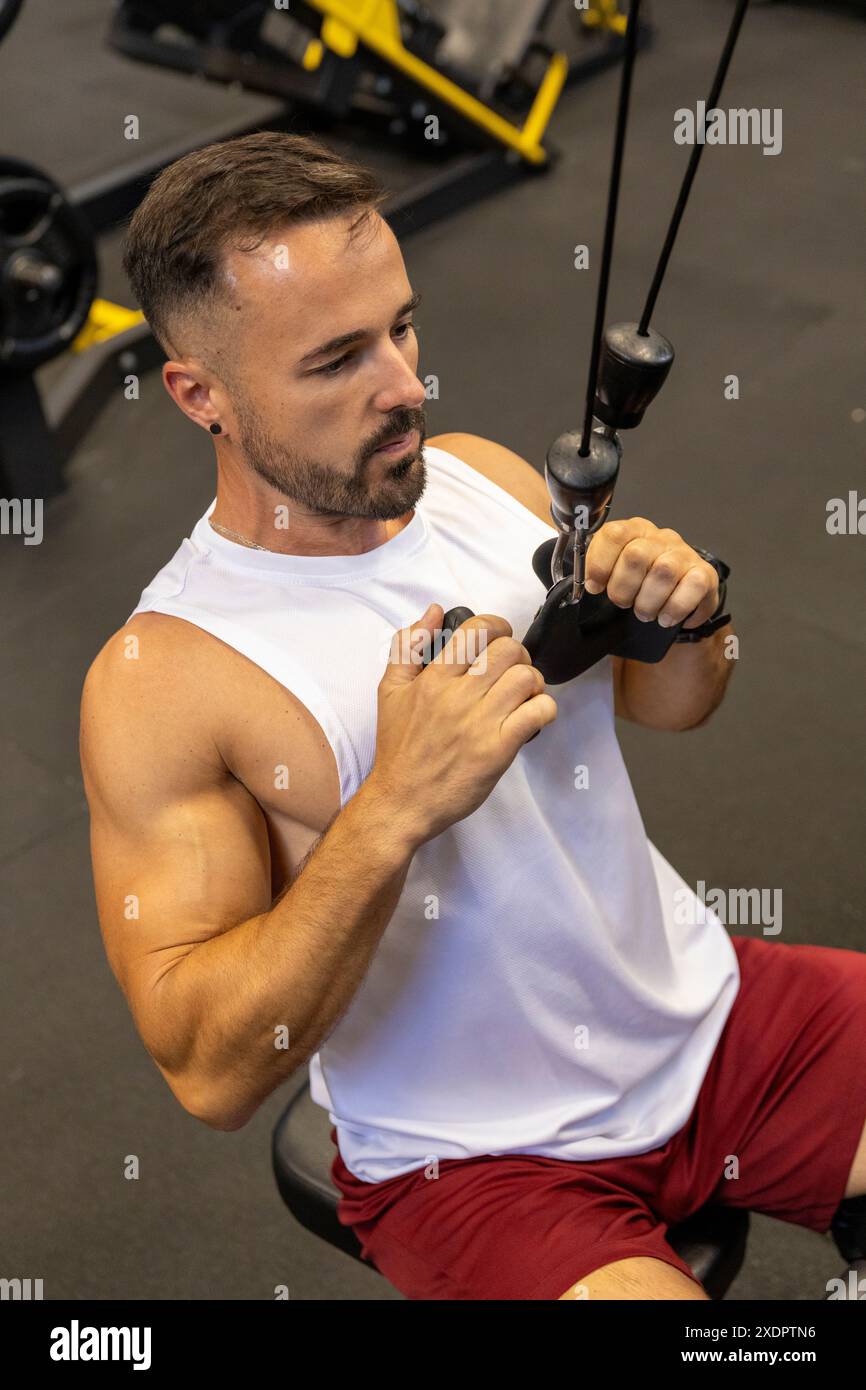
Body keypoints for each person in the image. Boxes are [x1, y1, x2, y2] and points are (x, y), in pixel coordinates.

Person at [80, 130, 866, 1301]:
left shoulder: (481, 478)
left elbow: (672, 703)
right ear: (202, 394)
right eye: (336, 358)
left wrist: (688, 614)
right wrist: (394, 805)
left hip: (710, 1015)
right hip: (477, 1160)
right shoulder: (167, 677)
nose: (403, 384)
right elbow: (211, 1071)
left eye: (401, 326)